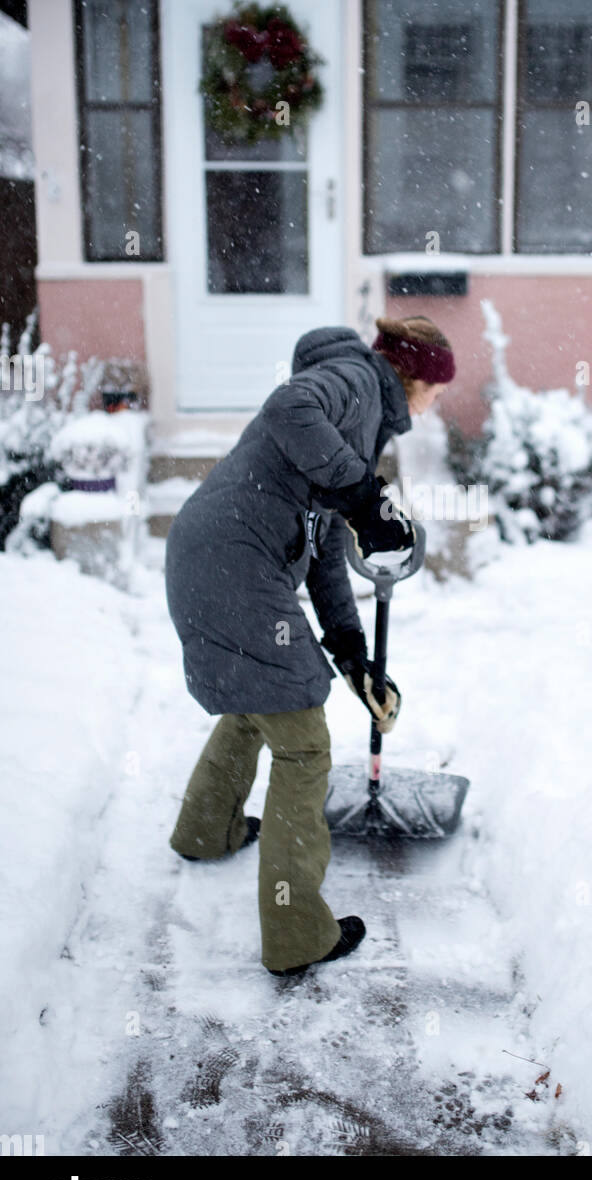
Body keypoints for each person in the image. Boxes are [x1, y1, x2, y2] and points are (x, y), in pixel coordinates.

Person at [164, 316, 456, 977]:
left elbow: (324, 549)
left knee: (258, 700)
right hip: (238, 562)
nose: (435, 404)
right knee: (302, 741)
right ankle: (297, 933)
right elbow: (288, 404)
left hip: (208, 555)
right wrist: (365, 497)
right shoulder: (355, 379)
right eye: (437, 390)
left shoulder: (350, 421)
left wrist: (350, 650)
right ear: (414, 378)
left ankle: (206, 832)